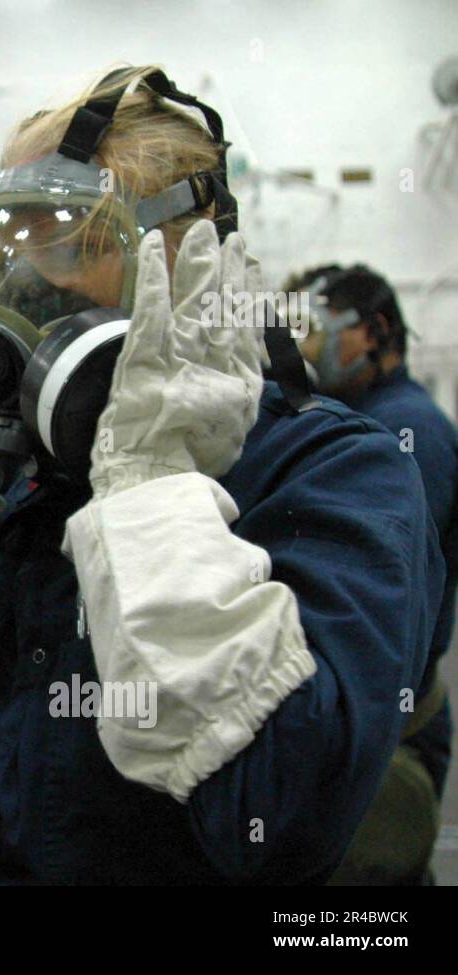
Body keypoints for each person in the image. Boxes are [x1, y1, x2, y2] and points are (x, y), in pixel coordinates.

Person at [0, 66, 444, 884]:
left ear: (186, 260)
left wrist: (147, 488)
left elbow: (279, 819)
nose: (24, 286)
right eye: (8, 250)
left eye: (69, 245)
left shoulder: (335, 470)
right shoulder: (1, 467)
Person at [289, 263, 457, 883]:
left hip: (391, 729)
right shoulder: (355, 421)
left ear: (375, 330)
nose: (304, 345)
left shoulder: (407, 432)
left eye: (315, 328)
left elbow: (384, 600)